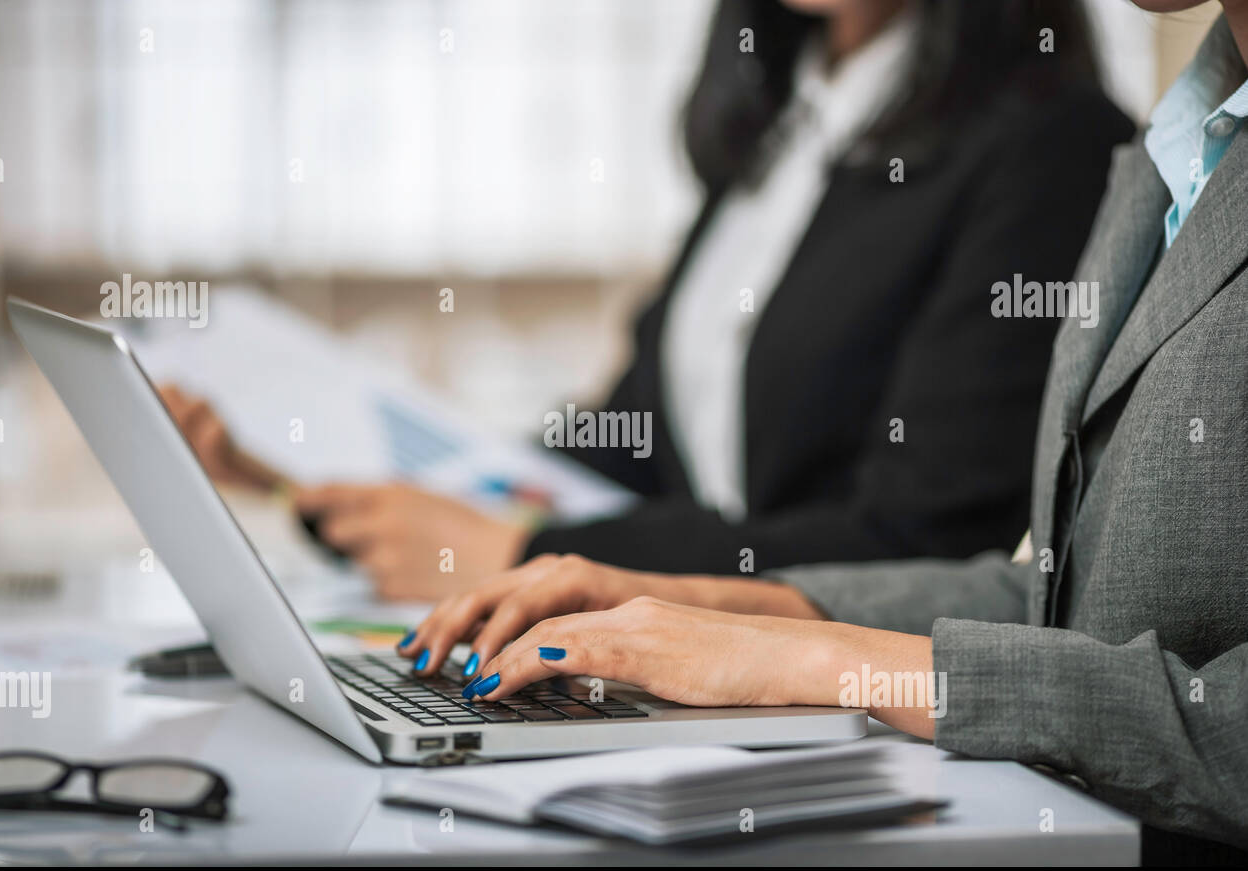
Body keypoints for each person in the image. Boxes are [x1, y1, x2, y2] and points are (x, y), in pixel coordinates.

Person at [406, 4, 1248, 861]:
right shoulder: (1177, 147)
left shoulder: (1059, 138)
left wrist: (815, 658)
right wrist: (720, 609)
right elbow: (1063, 605)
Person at [165, 0, 1131, 600]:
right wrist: (304, 476)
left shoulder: (1048, 143)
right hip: (691, 690)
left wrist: (532, 553)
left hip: (855, 717)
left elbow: (921, 537)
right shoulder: (784, 126)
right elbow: (625, 450)